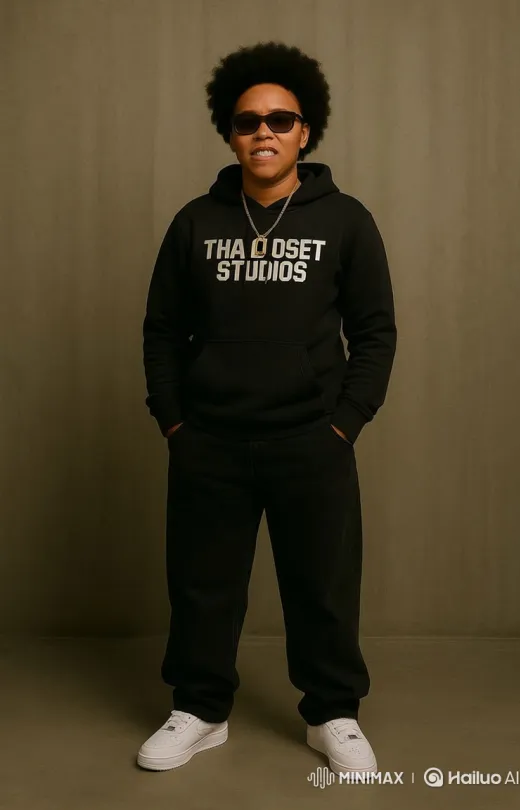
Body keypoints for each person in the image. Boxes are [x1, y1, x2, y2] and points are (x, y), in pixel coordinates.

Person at [138, 41, 397, 775]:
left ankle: (333, 714)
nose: (264, 132)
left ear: (305, 131)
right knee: (201, 583)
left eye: (281, 120)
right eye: (248, 120)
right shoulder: (195, 222)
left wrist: (345, 423)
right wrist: (174, 420)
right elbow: (161, 330)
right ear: (229, 131)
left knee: (322, 584)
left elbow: (375, 332)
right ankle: (200, 707)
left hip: (310, 440)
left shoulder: (345, 220)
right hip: (209, 439)